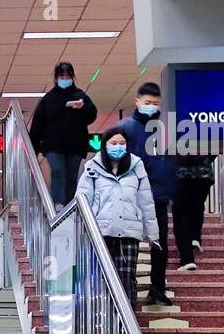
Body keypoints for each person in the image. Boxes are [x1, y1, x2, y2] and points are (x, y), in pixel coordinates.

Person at [77, 128, 158, 306]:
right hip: (100, 233)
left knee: (127, 279)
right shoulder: (92, 167)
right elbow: (82, 201)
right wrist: (81, 232)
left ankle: (127, 327)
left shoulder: (137, 166)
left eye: (122, 143)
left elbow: (146, 201)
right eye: (114, 143)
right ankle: (103, 320)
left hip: (129, 233)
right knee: (100, 278)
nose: (118, 147)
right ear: (104, 145)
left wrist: (152, 234)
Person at [114, 82, 175, 306]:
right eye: (147, 103)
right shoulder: (126, 128)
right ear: (137, 101)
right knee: (128, 243)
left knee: (159, 244)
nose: (151, 107)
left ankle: (157, 288)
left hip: (157, 194)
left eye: (155, 104)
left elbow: (168, 158)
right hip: (131, 195)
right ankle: (124, 289)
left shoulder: (163, 127)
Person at [29, 61, 98, 208]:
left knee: (72, 177)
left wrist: (82, 107)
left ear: (72, 77)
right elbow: (37, 126)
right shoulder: (48, 100)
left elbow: (91, 117)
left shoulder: (81, 97)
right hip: (53, 145)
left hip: (75, 145)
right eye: (62, 76)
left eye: (67, 76)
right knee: (58, 170)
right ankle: (58, 204)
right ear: (56, 78)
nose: (64, 79)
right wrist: (32, 151)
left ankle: (70, 206)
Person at [172, 149, 216, 272]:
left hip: (179, 175)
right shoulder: (206, 129)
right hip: (203, 174)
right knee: (197, 207)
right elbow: (216, 148)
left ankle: (187, 259)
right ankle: (195, 238)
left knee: (181, 216)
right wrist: (204, 159)